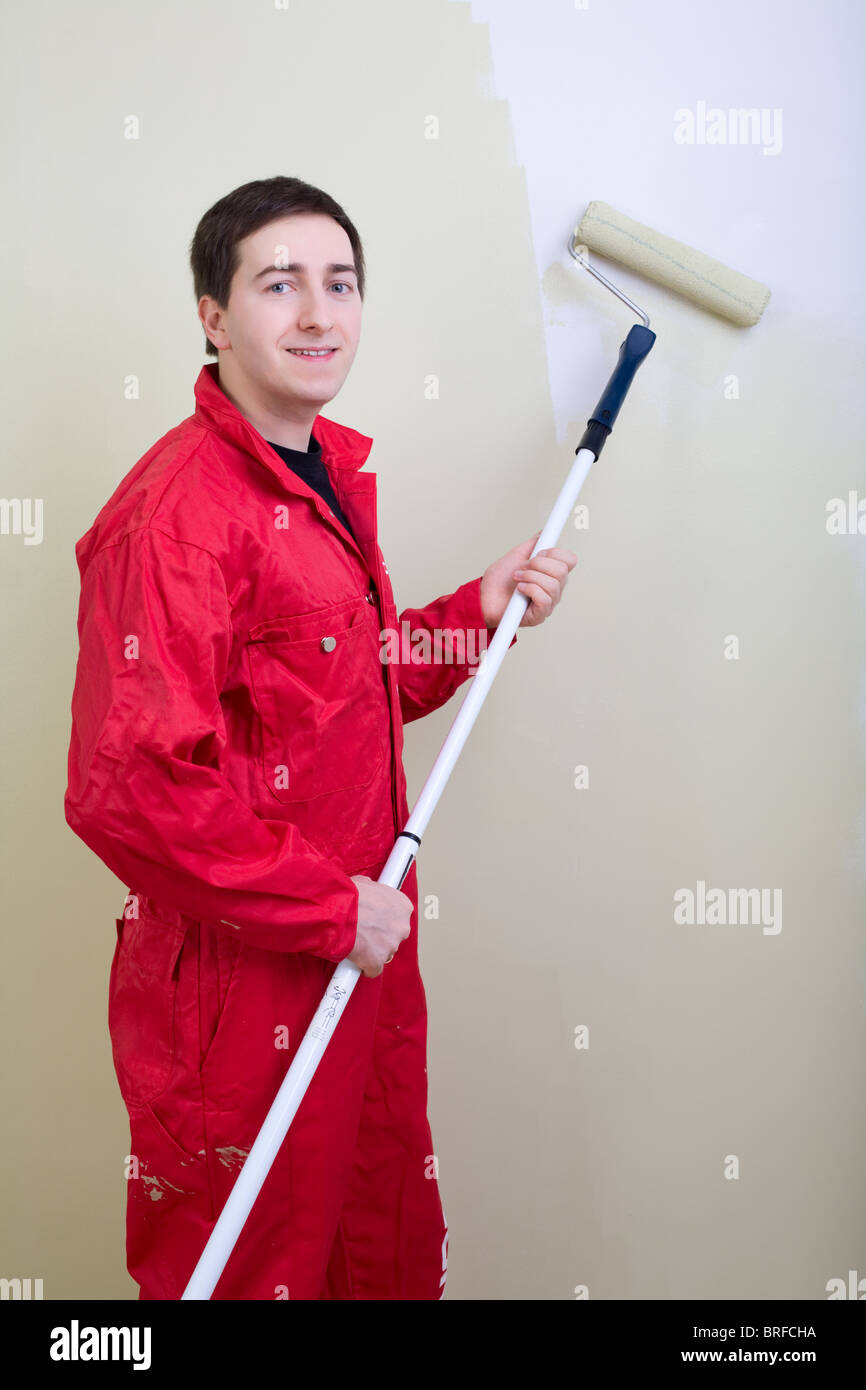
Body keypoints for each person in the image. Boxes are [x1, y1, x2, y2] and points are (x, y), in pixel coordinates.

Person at [64, 175, 577, 1300]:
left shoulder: (319, 477)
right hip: (247, 992)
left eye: (337, 283)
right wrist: (332, 908)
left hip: (356, 964)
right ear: (213, 315)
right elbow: (128, 788)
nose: (315, 314)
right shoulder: (176, 519)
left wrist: (467, 619)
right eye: (277, 283)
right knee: (254, 1271)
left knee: (376, 1252)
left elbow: (341, 690)